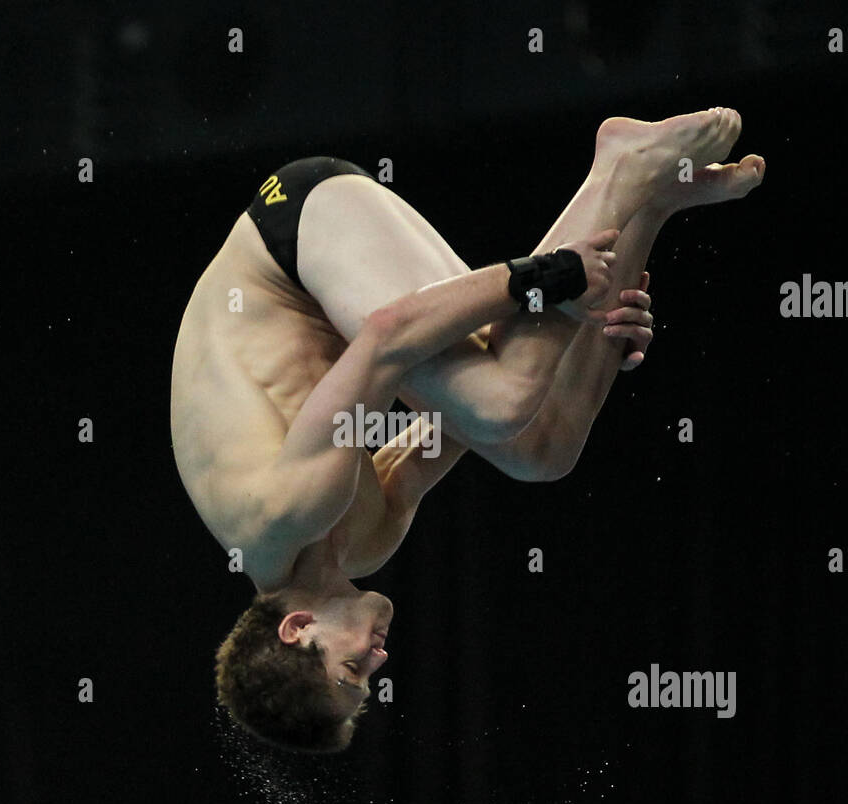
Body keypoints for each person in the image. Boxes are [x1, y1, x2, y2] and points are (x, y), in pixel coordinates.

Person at [170, 107, 764, 751]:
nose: (378, 663)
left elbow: (389, 335)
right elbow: (455, 426)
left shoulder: (278, 515)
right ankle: (647, 203)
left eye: (352, 670)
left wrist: (544, 278)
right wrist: (594, 337)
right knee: (538, 449)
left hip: (294, 233)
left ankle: (621, 167)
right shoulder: (363, 542)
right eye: (368, 682)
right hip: (333, 299)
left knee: (500, 400)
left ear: (297, 629)